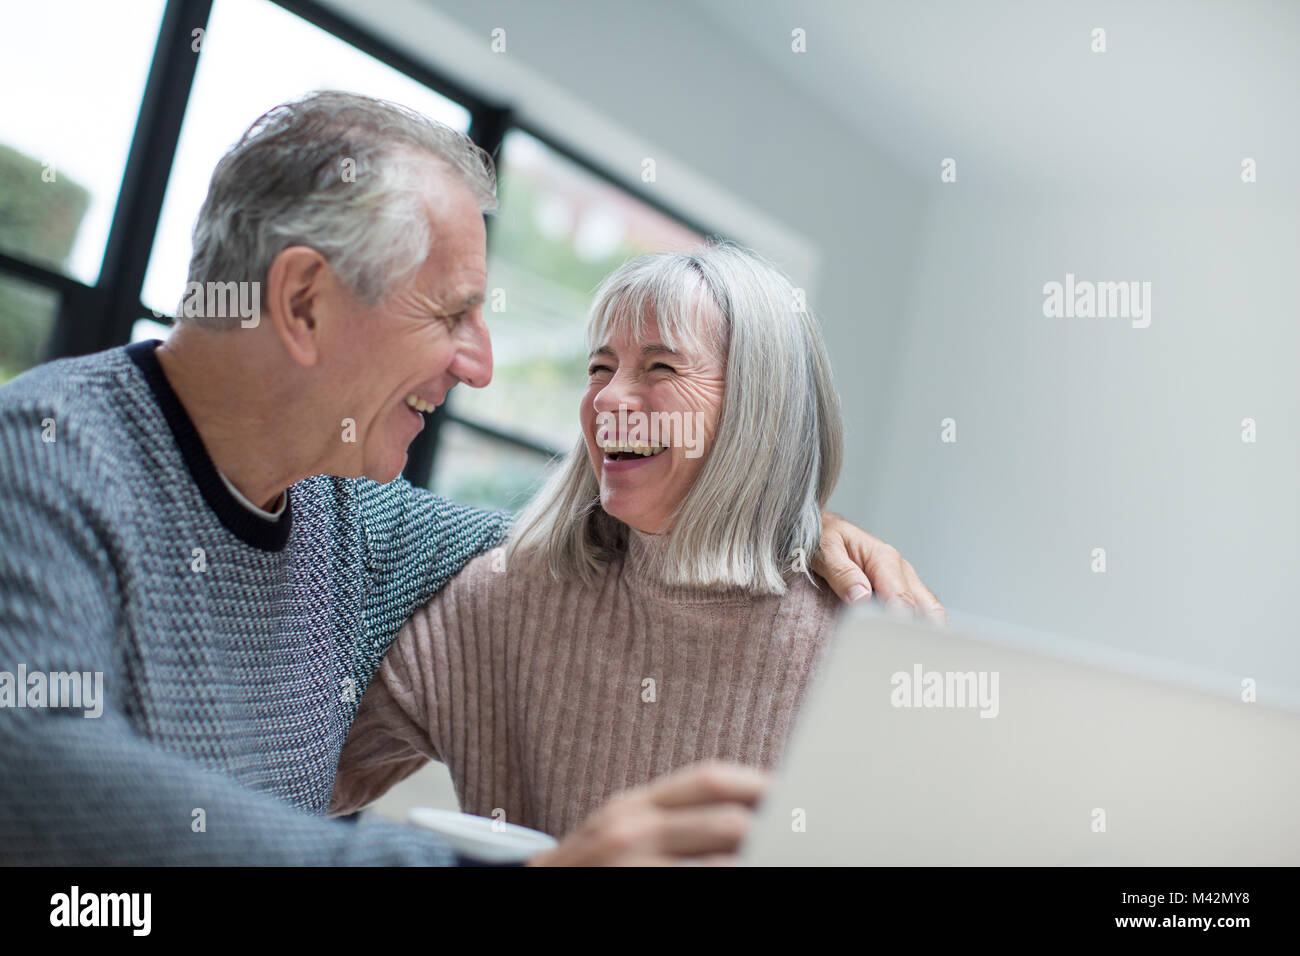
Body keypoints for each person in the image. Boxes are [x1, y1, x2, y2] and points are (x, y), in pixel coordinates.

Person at [0, 91, 943, 866]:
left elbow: (603, 549)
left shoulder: (362, 528)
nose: (480, 364)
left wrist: (787, 520)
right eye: (452, 313)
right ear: (302, 303)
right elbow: (33, 772)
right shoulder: (47, 455)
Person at [331, 242, 857, 847]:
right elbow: (280, 769)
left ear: (758, 409)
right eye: (599, 368)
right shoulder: (505, 598)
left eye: (661, 367)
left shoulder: (850, 652)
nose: (607, 398)